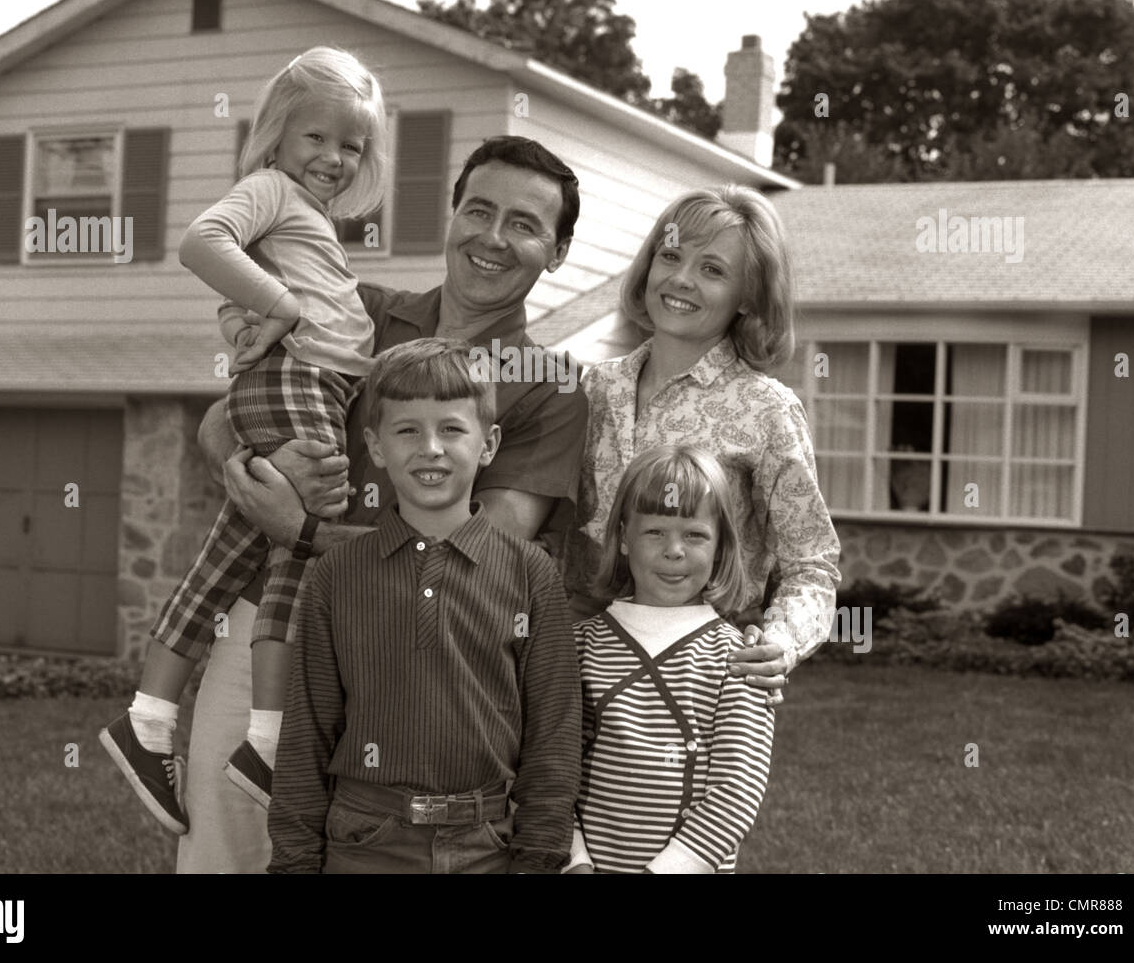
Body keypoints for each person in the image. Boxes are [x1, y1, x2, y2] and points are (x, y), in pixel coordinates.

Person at [176, 135, 588, 872]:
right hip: (268, 616)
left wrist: (302, 528)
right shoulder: (356, 310)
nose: (493, 237)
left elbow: (479, 548)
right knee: (223, 846)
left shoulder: (550, 387)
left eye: (525, 225)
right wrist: (261, 460)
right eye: (480, 210)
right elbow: (218, 421)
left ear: (556, 253)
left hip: (409, 650)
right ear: (452, 214)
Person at [100, 47, 388, 830]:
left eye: (351, 145)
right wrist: (280, 307)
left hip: (307, 379)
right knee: (302, 536)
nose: (333, 158)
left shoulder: (304, 210)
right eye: (315, 139)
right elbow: (200, 243)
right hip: (299, 379)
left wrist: (259, 310)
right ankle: (268, 737)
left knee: (234, 551)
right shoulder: (267, 188)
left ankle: (149, 715)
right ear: (275, 137)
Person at [267, 338, 582, 874]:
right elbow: (306, 735)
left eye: (452, 428)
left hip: (488, 844)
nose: (430, 448)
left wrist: (539, 856)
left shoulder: (531, 574)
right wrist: (294, 861)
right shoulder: (337, 575)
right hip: (364, 840)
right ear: (375, 445)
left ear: (489, 444)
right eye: (407, 429)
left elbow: (553, 734)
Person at [565, 185, 841, 693]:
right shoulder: (592, 389)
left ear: (749, 297)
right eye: (670, 256)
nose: (681, 279)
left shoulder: (767, 410)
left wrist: (778, 642)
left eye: (712, 270)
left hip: (704, 681)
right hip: (580, 669)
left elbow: (811, 565)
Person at [565, 444, 774, 874]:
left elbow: (737, 790)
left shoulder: (739, 660)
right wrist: (575, 862)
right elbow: (550, 767)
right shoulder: (577, 647)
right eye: (655, 532)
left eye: (694, 534)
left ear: (721, 547)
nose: (674, 550)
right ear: (623, 538)